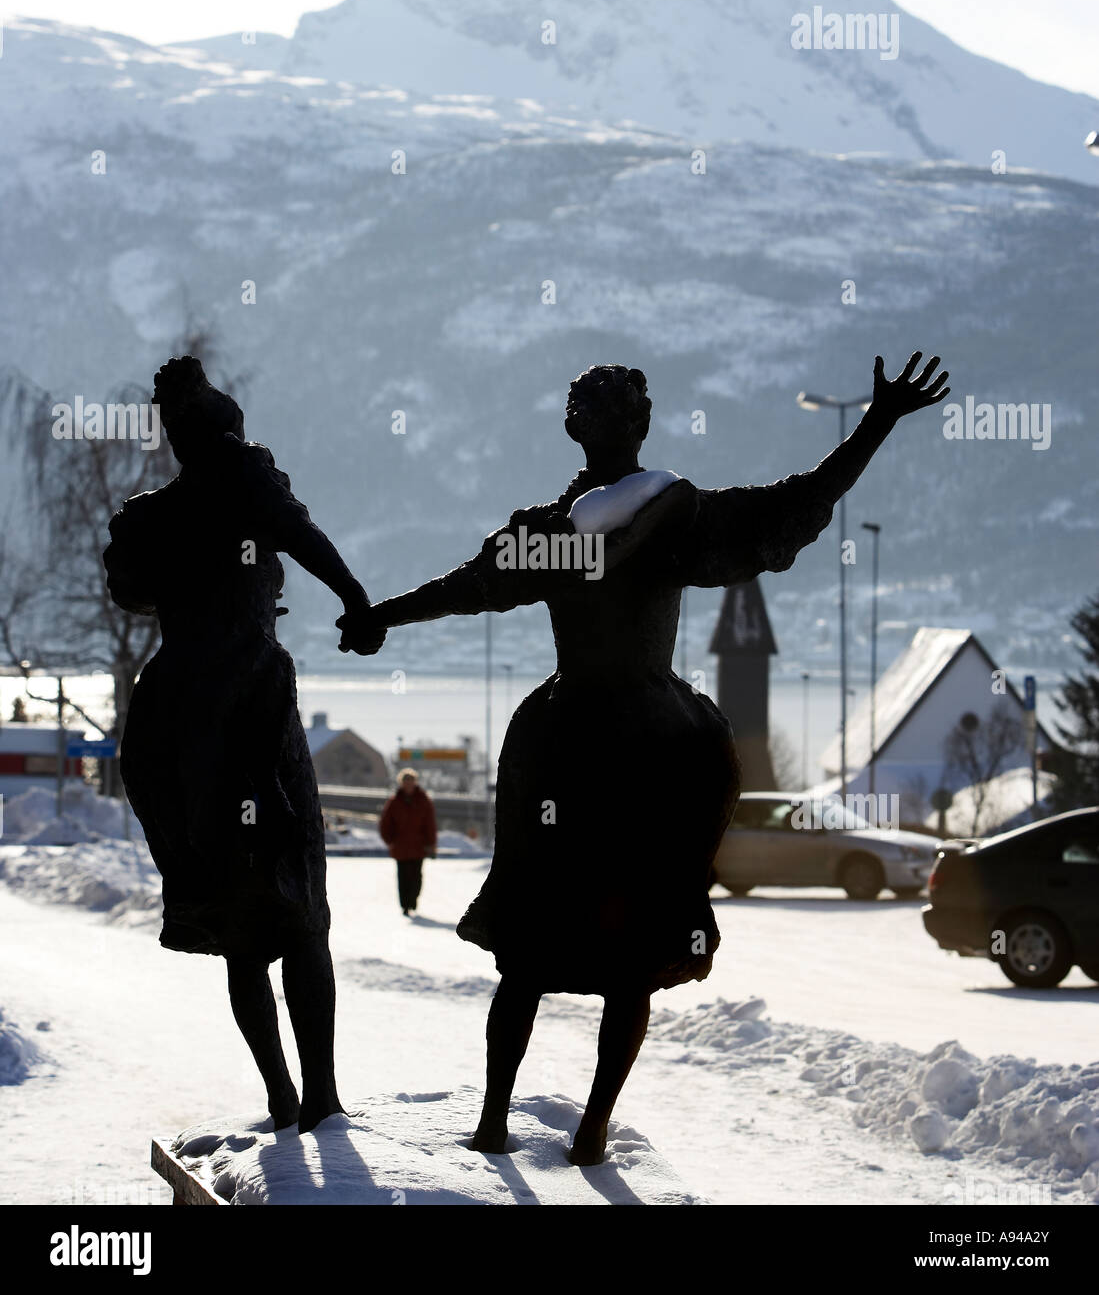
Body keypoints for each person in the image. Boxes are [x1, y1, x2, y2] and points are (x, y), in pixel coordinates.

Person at [342, 351, 948, 1165]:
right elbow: (791, 505)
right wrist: (874, 424)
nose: (620, 423)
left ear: (586, 429)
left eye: (619, 411)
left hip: (569, 732)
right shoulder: (663, 518)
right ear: (622, 427)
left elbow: (469, 586)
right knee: (619, 949)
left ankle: (508, 1120)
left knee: (533, 950)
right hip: (650, 735)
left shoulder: (559, 533)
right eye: (616, 412)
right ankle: (572, 1125)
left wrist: (382, 616)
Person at [104, 356, 384, 1134]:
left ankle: (281, 1095)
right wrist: (357, 600)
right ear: (226, 435)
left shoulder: (150, 517)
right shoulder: (248, 485)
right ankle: (319, 1096)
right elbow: (302, 535)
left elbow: (130, 589)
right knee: (302, 914)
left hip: (170, 710)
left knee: (237, 929)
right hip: (249, 697)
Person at [379, 769, 438, 915]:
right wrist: (389, 839)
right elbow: (385, 823)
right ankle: (405, 905)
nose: (408, 784)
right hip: (400, 846)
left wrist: (431, 843)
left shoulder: (424, 800)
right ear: (402, 783)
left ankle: (413, 900)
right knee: (403, 876)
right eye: (406, 782)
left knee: (416, 876)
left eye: (411, 781)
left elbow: (430, 824)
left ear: (415, 782)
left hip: (419, 846)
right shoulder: (394, 801)